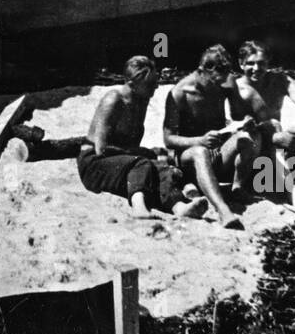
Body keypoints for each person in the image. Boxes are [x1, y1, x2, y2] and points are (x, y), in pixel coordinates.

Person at [77, 55, 208, 221]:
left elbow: (130, 147)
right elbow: (102, 149)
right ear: (132, 85)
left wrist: (146, 155)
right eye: (150, 84)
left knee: (158, 167)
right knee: (142, 163)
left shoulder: (141, 100)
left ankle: (179, 207)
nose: (156, 86)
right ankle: (139, 208)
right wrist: (142, 153)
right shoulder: (113, 100)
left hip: (120, 163)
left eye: (155, 81)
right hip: (94, 164)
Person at [163, 44, 254, 228]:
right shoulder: (179, 93)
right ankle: (223, 210)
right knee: (200, 152)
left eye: (220, 82)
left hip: (217, 150)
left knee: (246, 138)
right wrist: (200, 140)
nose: (216, 87)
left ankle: (236, 188)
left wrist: (235, 97)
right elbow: (168, 139)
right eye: (212, 82)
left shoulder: (224, 84)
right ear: (201, 71)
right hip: (189, 155)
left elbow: (237, 115)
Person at [233, 41, 295, 210]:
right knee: (275, 128)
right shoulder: (236, 89)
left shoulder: (280, 81)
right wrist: (276, 135)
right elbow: (234, 127)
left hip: (280, 141)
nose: (256, 68)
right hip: (252, 148)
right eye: (250, 63)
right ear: (241, 64)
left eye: (261, 63)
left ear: (268, 63)